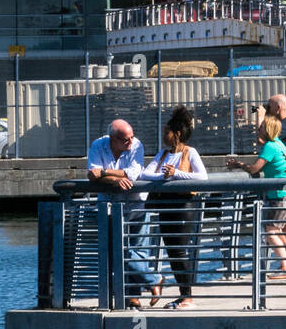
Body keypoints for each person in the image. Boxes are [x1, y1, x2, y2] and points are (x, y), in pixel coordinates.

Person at [87, 118, 162, 308]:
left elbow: (133, 174)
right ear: (113, 139)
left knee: (139, 251)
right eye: (125, 139)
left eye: (131, 137)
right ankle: (154, 280)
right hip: (110, 205)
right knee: (117, 250)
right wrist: (114, 180)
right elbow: (91, 175)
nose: (130, 142)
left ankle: (133, 297)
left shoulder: (137, 145)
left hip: (136, 204)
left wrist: (104, 173)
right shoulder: (98, 145)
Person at [140, 106, 208, 309]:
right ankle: (182, 294)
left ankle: (187, 296)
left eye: (166, 132)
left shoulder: (190, 152)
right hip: (165, 205)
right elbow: (145, 174)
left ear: (177, 134)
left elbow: (202, 176)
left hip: (184, 205)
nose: (163, 135)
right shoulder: (162, 154)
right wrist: (164, 176)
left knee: (179, 250)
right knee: (171, 250)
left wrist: (176, 174)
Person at [227, 116, 286, 280]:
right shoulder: (280, 143)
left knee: (270, 232)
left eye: (260, 128)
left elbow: (254, 169)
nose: (258, 130)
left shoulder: (270, 146)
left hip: (280, 193)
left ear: (267, 130)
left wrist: (238, 165)